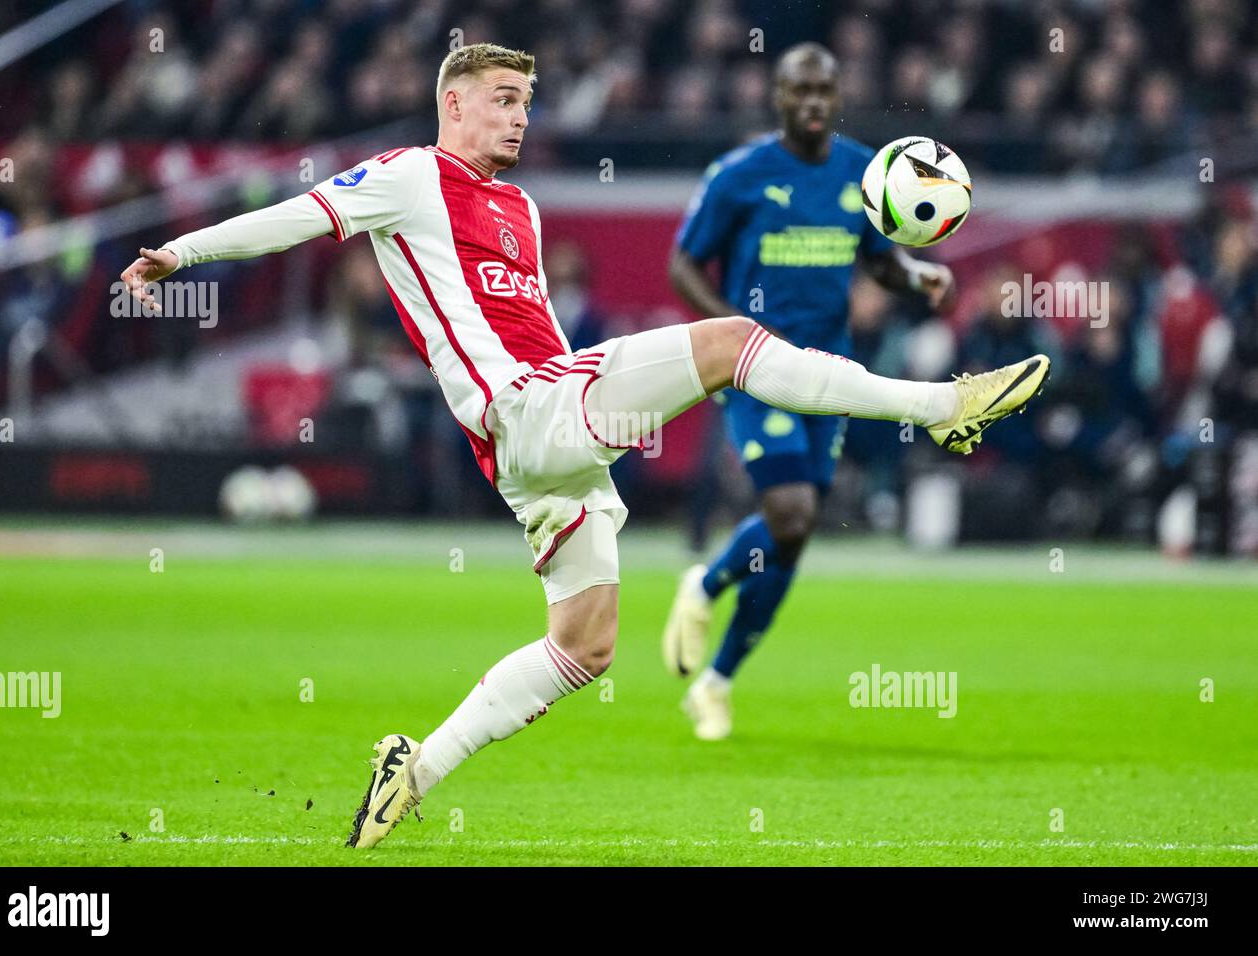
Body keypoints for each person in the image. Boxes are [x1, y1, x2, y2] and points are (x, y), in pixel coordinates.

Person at [119, 43, 1049, 850]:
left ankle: (416, 768)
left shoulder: (518, 210)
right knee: (729, 342)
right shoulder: (408, 178)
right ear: (454, 103)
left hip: (546, 437)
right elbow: (294, 217)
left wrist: (596, 407)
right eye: (503, 101)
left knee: (585, 646)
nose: (522, 118)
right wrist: (179, 254)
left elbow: (537, 329)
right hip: (524, 417)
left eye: (528, 102)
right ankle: (937, 405)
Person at [662, 42, 957, 740]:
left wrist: (919, 277)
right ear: (778, 97)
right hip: (758, 371)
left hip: (834, 372)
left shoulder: (864, 170)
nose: (814, 103)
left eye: (825, 90)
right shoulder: (741, 174)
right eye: (801, 91)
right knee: (790, 514)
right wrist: (733, 332)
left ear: (837, 96)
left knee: (792, 540)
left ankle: (717, 680)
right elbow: (681, 263)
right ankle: (705, 586)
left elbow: (879, 261)